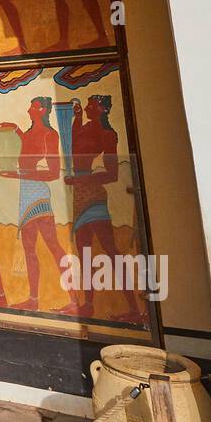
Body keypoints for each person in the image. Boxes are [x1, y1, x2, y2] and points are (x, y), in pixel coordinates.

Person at [66, 95, 145, 323]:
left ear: (102, 108)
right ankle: (89, 304)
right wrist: (77, 118)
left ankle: (134, 308)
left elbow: (112, 174)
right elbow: (74, 147)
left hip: (92, 195)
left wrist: (80, 181)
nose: (89, 106)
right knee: (84, 253)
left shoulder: (108, 134)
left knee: (111, 252)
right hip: (79, 196)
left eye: (92, 104)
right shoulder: (87, 126)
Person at [0, 96, 75, 313]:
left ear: (42, 110)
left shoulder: (50, 135)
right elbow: (20, 156)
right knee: (29, 250)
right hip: (25, 195)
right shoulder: (27, 135)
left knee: (54, 246)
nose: (29, 109)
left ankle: (75, 300)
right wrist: (15, 131)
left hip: (38, 196)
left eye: (33, 106)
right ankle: (34, 299)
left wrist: (18, 173)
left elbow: (53, 173)